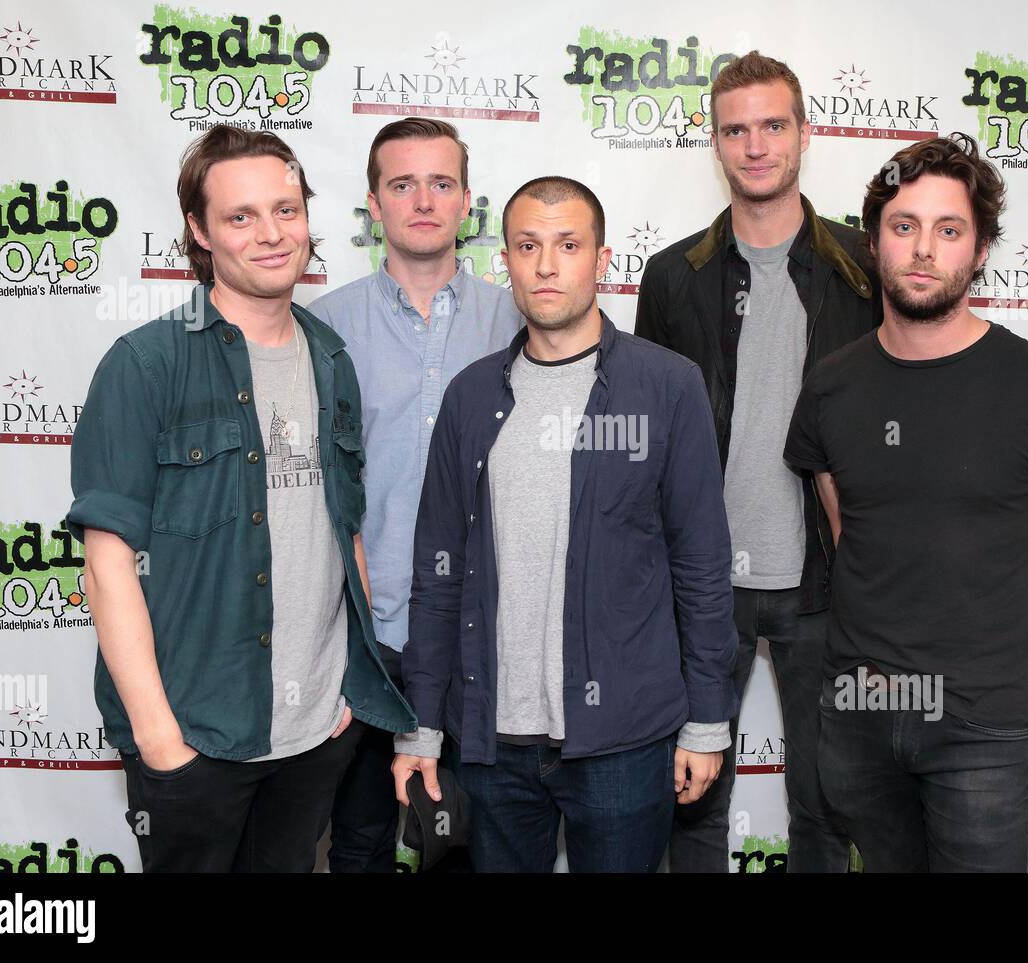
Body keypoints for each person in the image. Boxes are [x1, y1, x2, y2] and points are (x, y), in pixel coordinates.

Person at [66, 124, 415, 872]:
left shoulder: (330, 357)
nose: (271, 234)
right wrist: (162, 741)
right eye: (241, 216)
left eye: (286, 210)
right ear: (199, 229)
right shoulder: (144, 364)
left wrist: (344, 702)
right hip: (195, 736)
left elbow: (342, 526)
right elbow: (105, 567)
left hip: (317, 733)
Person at [393, 176, 739, 872]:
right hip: (489, 743)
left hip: (625, 742)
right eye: (528, 245)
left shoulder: (668, 386)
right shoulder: (470, 396)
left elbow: (701, 563)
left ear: (602, 261)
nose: (547, 264)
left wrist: (707, 718)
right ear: (507, 262)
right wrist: (420, 727)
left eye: (568, 244)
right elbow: (437, 577)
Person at [784, 133, 1028, 872]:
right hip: (861, 719)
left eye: (949, 229)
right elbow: (848, 531)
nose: (923, 248)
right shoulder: (832, 386)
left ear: (981, 250)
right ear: (875, 243)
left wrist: (993, 671)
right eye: (904, 227)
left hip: (981, 729)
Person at [635, 50, 880, 873]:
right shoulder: (674, 276)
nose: (755, 145)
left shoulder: (864, 268)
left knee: (827, 803)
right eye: (735, 129)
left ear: (804, 134)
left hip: (827, 582)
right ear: (715, 144)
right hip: (704, 584)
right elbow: (649, 442)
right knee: (691, 801)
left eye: (773, 125)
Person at [309, 118, 522, 873]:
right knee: (359, 841)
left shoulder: (520, 320)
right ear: (373, 203)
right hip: (365, 634)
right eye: (402, 184)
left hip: (486, 635)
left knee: (470, 843)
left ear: (468, 202)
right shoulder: (322, 328)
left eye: (441, 183)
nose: (422, 200)